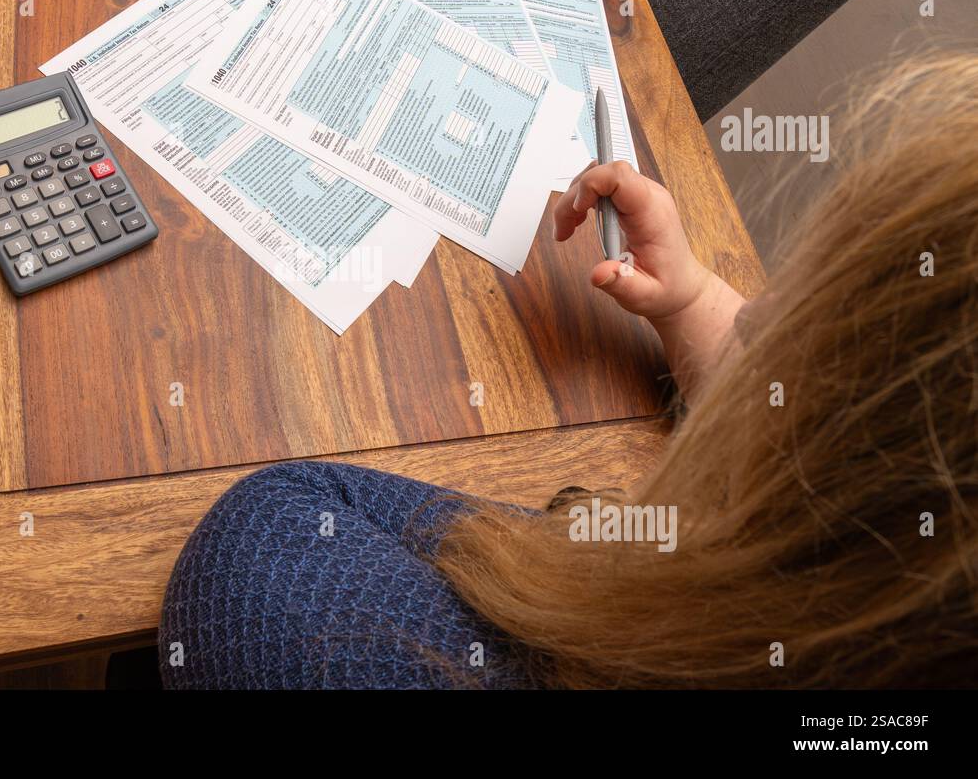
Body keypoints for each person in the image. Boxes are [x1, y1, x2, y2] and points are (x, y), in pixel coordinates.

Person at [158, 53, 978, 689]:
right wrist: (693, 306)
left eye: (808, 334)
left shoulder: (300, 601)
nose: (758, 315)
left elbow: (266, 522)